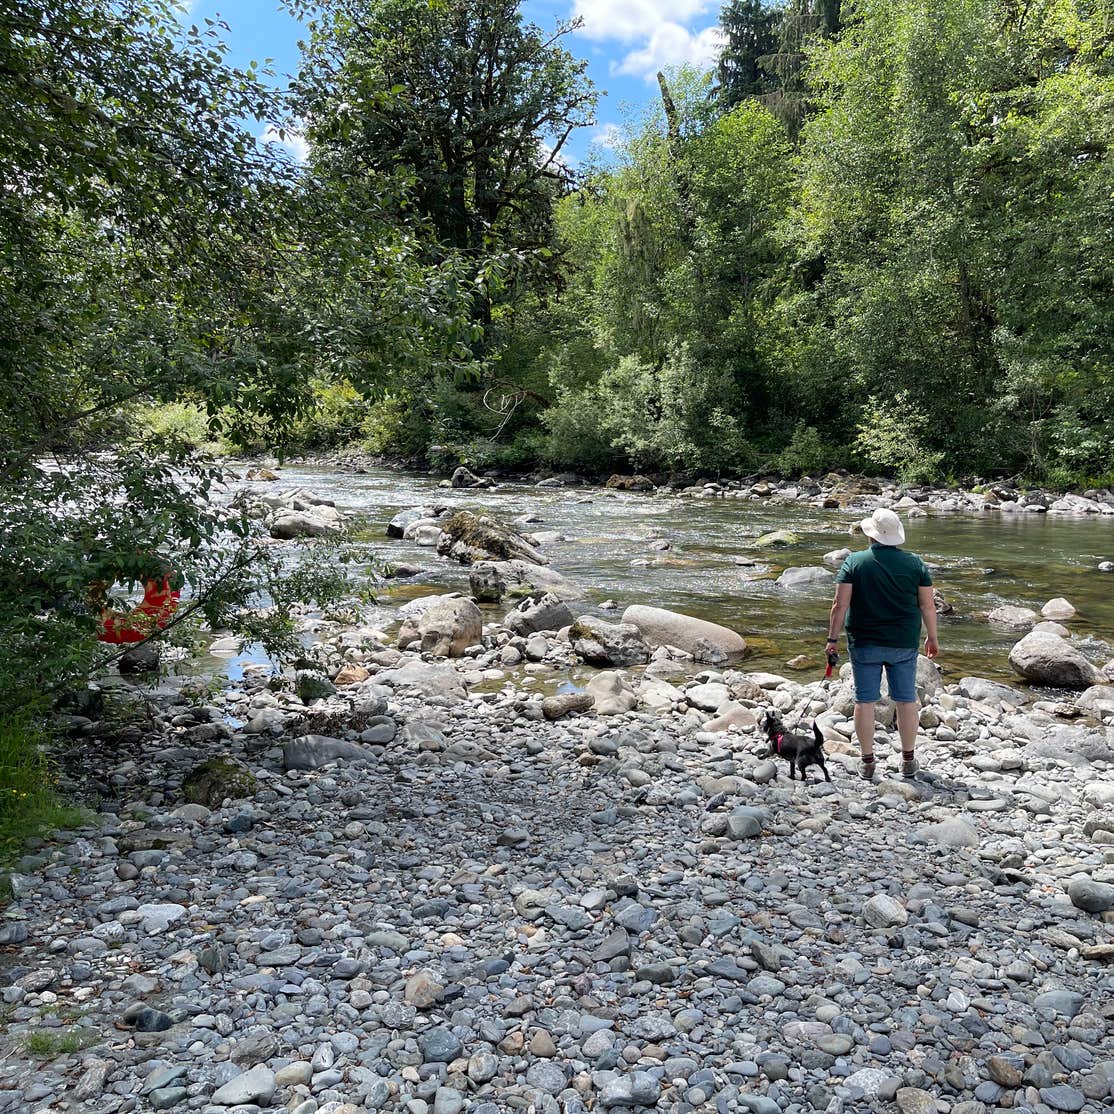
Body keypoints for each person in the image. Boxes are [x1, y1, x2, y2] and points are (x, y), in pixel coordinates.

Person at [825, 508, 939, 780]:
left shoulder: (854, 562)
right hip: (903, 642)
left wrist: (832, 640)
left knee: (865, 702)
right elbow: (927, 605)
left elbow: (840, 605)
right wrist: (932, 637)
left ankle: (867, 762)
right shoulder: (915, 563)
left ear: (871, 535)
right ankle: (908, 760)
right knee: (906, 701)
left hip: (864, 642)